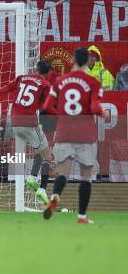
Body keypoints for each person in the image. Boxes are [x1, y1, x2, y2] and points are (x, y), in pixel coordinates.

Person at [42, 47, 110, 224]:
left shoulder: (60, 81)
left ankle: (55, 196)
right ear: (88, 61)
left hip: (64, 132)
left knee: (63, 174)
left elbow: (47, 105)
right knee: (86, 177)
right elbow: (95, 108)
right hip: (85, 135)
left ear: (72, 60)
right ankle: (81, 216)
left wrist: (62, 117)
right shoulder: (93, 82)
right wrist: (104, 114)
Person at [0, 60, 54, 205]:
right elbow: (49, 107)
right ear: (48, 73)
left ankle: (33, 177)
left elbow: (2, 90)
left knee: (39, 149)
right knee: (47, 154)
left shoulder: (21, 78)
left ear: (36, 68)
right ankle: (40, 187)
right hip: (30, 124)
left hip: (15, 124)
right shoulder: (45, 85)